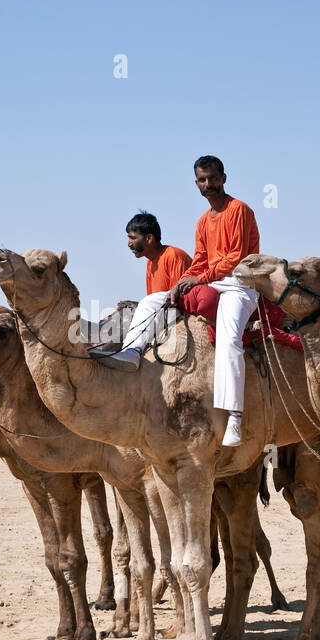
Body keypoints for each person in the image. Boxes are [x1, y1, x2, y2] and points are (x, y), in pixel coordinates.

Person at [91, 156, 260, 446]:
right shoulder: (202, 222)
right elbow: (200, 260)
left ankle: (234, 416)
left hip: (237, 283)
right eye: (202, 180)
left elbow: (235, 257)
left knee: (230, 340)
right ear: (196, 183)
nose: (208, 185)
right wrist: (185, 281)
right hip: (209, 280)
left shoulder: (239, 210)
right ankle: (132, 353)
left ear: (223, 178)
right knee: (149, 303)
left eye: (212, 179)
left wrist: (199, 277)